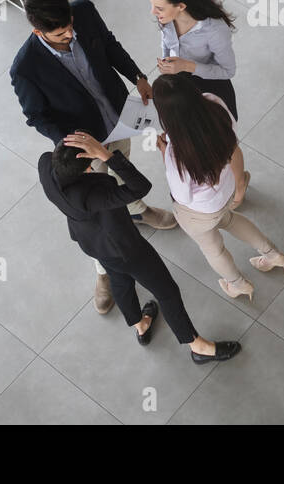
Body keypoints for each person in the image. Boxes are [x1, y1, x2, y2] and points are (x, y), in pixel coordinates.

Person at [10, 0, 177, 316]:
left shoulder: (84, 10)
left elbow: (111, 47)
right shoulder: (25, 68)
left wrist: (137, 75)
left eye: (70, 25)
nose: (70, 33)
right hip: (85, 147)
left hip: (118, 116)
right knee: (101, 213)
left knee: (123, 166)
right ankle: (103, 273)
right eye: (60, 33)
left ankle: (138, 209)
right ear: (37, 30)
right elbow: (36, 117)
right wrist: (76, 145)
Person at [40, 130, 241, 364]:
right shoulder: (94, 195)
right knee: (167, 291)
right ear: (87, 167)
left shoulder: (46, 165)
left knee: (120, 281)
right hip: (125, 248)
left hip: (92, 243)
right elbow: (140, 187)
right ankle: (197, 346)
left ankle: (140, 324)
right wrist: (106, 155)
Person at [152, 72, 284, 303]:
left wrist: (165, 154)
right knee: (230, 219)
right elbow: (232, 136)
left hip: (198, 212)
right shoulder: (214, 103)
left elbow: (182, 194)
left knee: (214, 249)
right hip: (226, 190)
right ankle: (273, 255)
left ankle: (237, 284)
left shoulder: (177, 153)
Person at [147, 0, 240, 119]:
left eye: (159, 8)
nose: (153, 12)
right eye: (152, 5)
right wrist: (166, 61)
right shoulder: (166, 19)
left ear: (181, 6)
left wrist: (185, 66)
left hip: (210, 87)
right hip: (180, 86)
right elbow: (166, 42)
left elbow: (228, 71)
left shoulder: (214, 30)